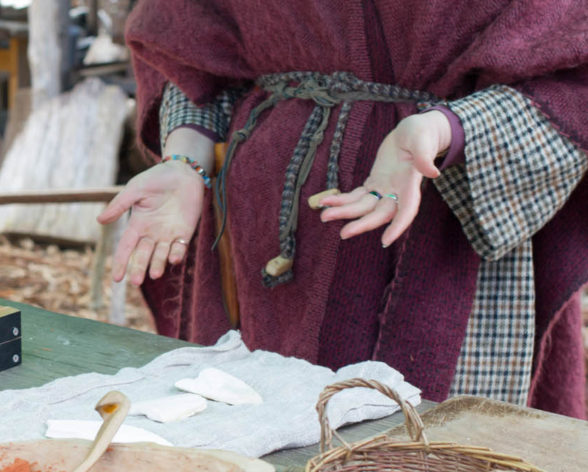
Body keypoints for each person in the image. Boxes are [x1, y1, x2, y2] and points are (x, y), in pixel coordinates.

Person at [97, 0, 588, 418]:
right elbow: (191, 60)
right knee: (247, 437)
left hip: (444, 222)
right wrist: (186, 161)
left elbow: (573, 75)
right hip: (255, 241)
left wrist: (444, 131)